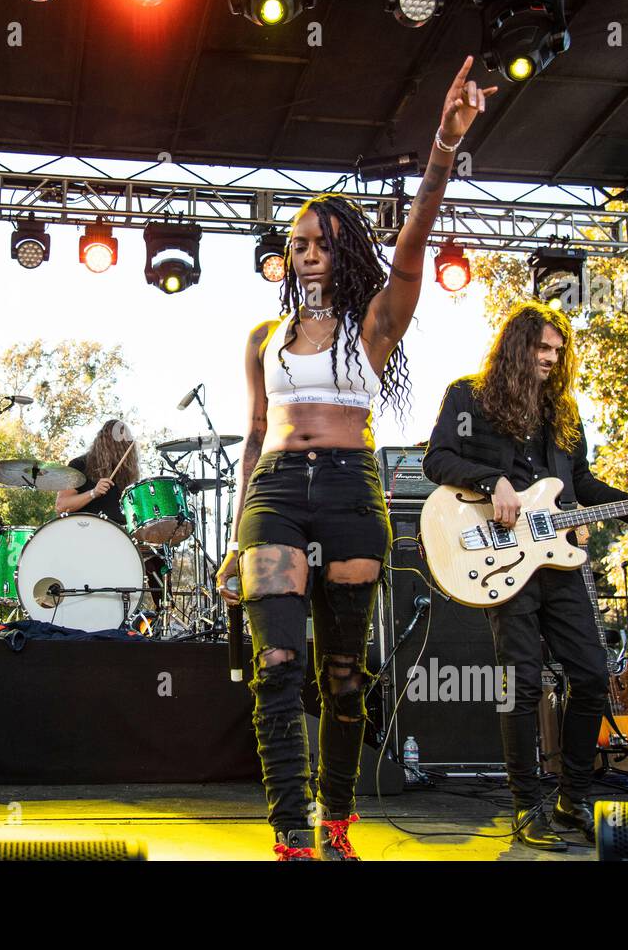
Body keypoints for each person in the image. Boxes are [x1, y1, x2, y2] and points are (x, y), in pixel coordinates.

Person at [214, 57, 496, 861]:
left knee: (342, 677)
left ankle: (337, 816)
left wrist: (443, 145)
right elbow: (254, 431)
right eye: (296, 244)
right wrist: (238, 530)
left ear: (342, 251)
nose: (304, 254)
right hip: (273, 490)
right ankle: (289, 829)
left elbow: (413, 245)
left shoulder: (372, 327)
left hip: (349, 491)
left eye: (319, 243)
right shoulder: (262, 339)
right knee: (274, 665)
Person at [422, 301, 628, 851]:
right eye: (542, 349)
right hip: (501, 558)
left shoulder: (563, 411)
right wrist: (493, 480)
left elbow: (581, 485)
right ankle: (525, 805)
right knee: (520, 683)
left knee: (590, 676)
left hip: (556, 561)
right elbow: (436, 461)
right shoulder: (468, 396)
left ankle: (573, 797)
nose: (550, 359)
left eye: (557, 351)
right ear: (517, 347)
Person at [55, 419, 166, 609]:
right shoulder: (79, 465)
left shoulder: (127, 475)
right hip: (85, 536)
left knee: (159, 551)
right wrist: (93, 493)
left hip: (120, 536)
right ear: (106, 441)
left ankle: (162, 613)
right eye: (120, 441)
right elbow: (62, 505)